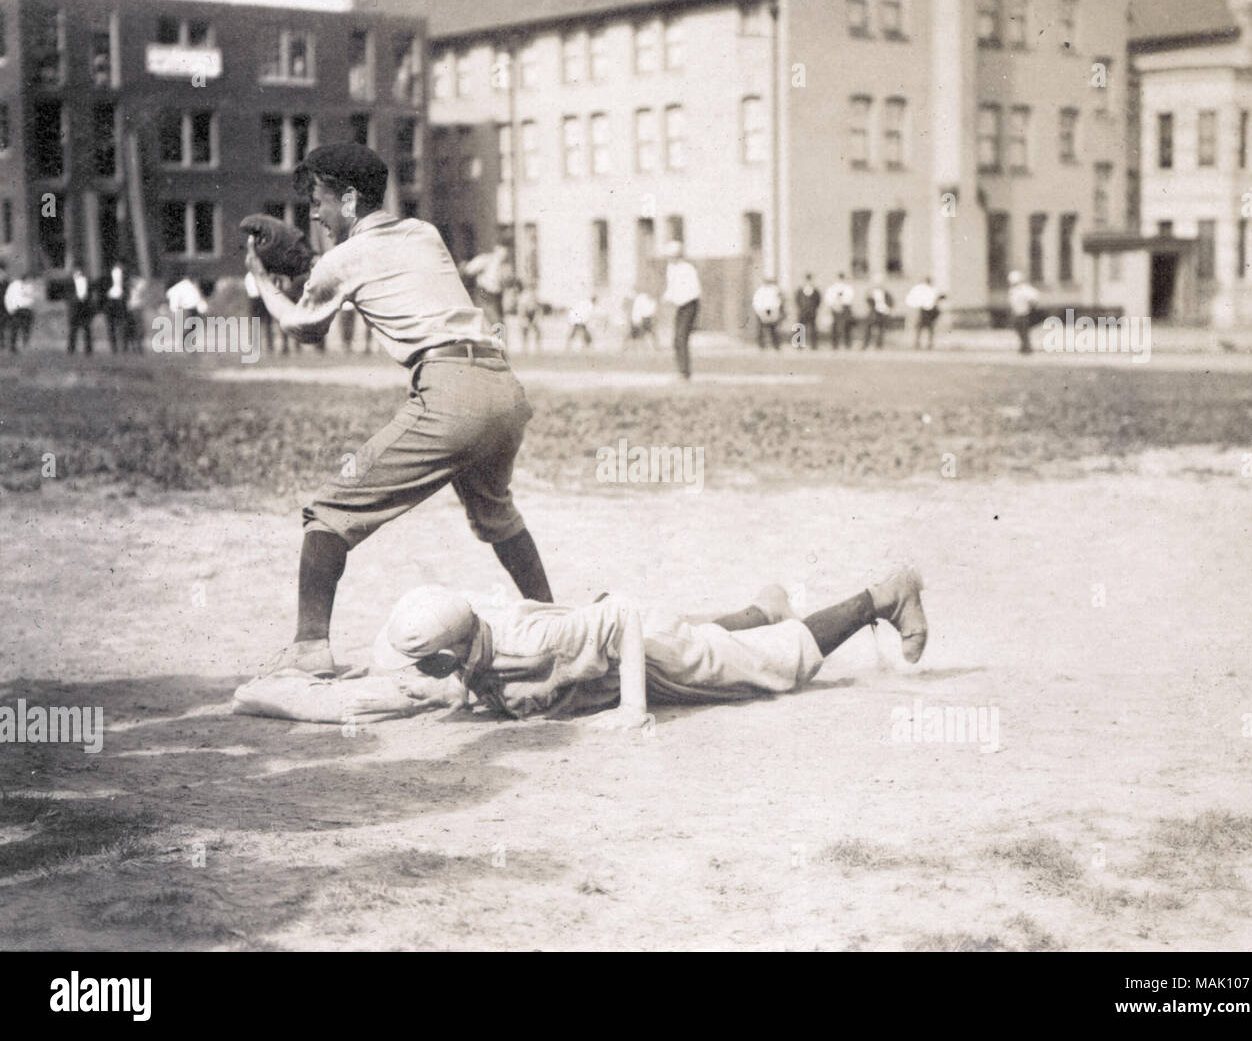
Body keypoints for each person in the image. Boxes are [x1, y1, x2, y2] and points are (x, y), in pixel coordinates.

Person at [245, 143, 553, 677]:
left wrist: (261, 279)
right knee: (496, 516)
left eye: (319, 201)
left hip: (451, 394)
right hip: (504, 389)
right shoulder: (424, 232)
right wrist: (315, 267)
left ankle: (309, 651)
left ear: (348, 197)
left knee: (328, 512)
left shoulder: (341, 259)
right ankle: (555, 622)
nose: (313, 214)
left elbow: (305, 329)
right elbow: (379, 269)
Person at [370, 567, 928, 728]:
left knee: (777, 666)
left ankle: (883, 597)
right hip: (635, 642)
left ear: (449, 650)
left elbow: (622, 618)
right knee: (709, 642)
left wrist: (635, 709)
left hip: (643, 645)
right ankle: (762, 610)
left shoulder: (525, 639)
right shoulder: (473, 637)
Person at [663, 241, 701, 380]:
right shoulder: (671, 268)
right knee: (677, 339)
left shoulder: (687, 269)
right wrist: (668, 298)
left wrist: (676, 299)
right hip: (680, 306)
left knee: (681, 337)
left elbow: (693, 291)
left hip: (689, 304)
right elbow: (671, 288)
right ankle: (682, 371)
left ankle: (684, 372)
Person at [463, 244, 509, 333]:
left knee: (498, 321)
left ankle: (498, 343)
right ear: (497, 250)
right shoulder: (486, 259)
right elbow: (468, 269)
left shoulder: (504, 266)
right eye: (502, 251)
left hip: (496, 296)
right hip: (484, 292)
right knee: (492, 318)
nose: (504, 255)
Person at [905, 277, 943, 350]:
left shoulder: (933, 290)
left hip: (931, 311)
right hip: (924, 311)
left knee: (929, 328)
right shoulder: (922, 290)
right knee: (921, 328)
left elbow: (936, 299)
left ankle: (928, 344)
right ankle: (918, 343)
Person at [66, 264, 96, 355]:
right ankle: (71, 349)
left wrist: (88, 302)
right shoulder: (69, 281)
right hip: (74, 307)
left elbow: (90, 293)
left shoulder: (87, 280)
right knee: (73, 329)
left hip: (85, 306)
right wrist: (73, 301)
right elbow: (67, 294)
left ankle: (88, 349)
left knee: (87, 328)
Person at [1007, 271, 1039, 354]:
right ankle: (1024, 347)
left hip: (1024, 313)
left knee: (1024, 331)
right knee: (1020, 331)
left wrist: (1031, 307)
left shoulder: (1024, 289)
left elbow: (1034, 297)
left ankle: (1027, 348)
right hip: (1016, 313)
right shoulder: (1012, 290)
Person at [3, 272, 36, 352]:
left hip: (27, 310)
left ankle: (25, 345)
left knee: (26, 328)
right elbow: (8, 297)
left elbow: (31, 299)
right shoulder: (15, 285)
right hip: (17, 310)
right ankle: (13, 346)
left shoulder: (29, 286)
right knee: (15, 328)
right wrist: (10, 309)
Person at [103, 262, 130, 353]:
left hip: (121, 301)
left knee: (123, 325)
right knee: (111, 326)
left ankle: (124, 347)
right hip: (110, 302)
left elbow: (128, 289)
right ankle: (114, 348)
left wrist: (125, 296)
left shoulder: (126, 278)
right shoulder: (106, 278)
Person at [752, 277, 785, 351]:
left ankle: (776, 346)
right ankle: (761, 346)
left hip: (772, 311)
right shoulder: (760, 291)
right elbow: (756, 303)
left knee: (774, 330)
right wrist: (761, 314)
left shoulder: (775, 291)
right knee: (761, 330)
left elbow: (778, 303)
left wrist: (775, 313)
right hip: (762, 311)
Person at [825, 272, 854, 351]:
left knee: (846, 327)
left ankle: (847, 345)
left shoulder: (848, 288)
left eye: (842, 278)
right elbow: (828, 299)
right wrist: (835, 305)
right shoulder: (832, 288)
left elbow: (849, 299)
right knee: (835, 327)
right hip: (835, 308)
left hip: (845, 308)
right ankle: (835, 345)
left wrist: (842, 303)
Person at [864, 274, 893, 350]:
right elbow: (868, 301)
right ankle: (865, 344)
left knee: (881, 329)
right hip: (874, 313)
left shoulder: (885, 293)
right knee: (868, 328)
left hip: (882, 313)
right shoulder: (871, 292)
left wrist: (887, 309)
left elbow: (890, 302)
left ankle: (879, 345)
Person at [795, 274, 821, 350]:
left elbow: (818, 300)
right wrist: (801, 308)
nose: (808, 281)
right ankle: (799, 345)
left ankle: (814, 345)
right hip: (802, 312)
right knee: (800, 328)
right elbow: (797, 300)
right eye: (807, 280)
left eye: (809, 280)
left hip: (812, 312)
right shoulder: (800, 290)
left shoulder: (815, 291)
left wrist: (814, 308)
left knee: (813, 328)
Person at [516, 282, 541, 352]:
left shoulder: (533, 294)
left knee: (537, 331)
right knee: (524, 331)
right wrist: (523, 317)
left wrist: (536, 317)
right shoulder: (524, 295)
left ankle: (537, 348)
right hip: (525, 313)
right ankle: (524, 348)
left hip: (532, 312)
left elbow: (537, 307)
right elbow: (521, 308)